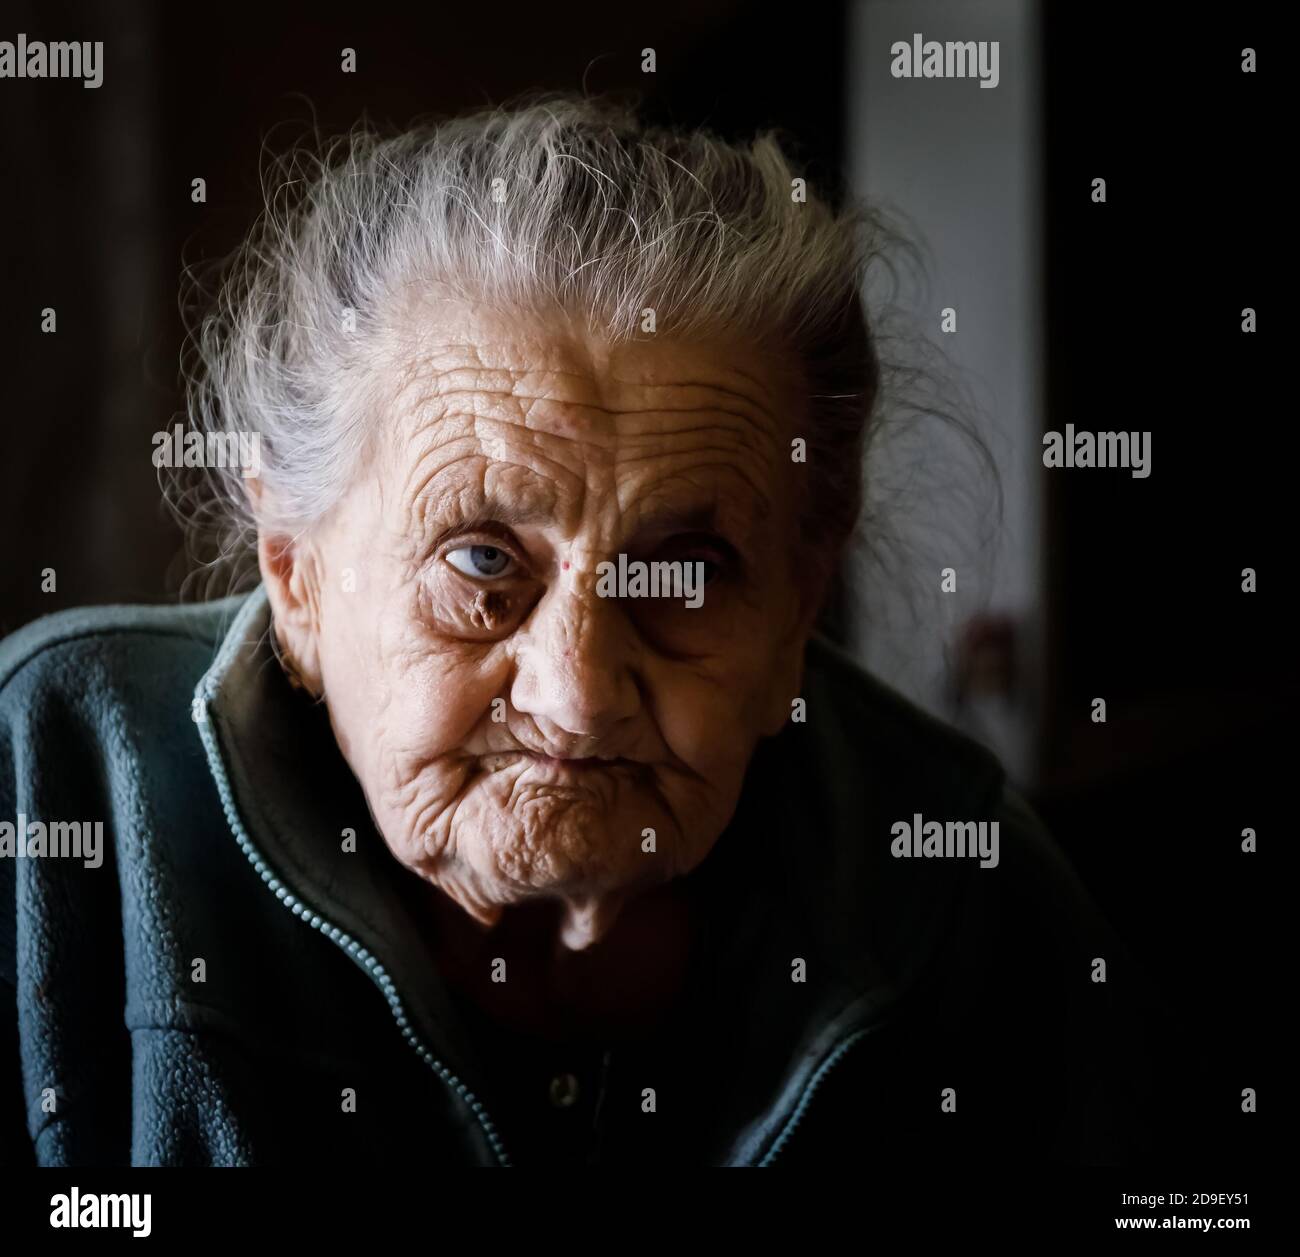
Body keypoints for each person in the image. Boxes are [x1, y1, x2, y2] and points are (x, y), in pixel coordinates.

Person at [0, 95, 1155, 1166]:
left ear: (798, 602)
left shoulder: (967, 896)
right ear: (295, 575)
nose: (577, 693)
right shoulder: (55, 777)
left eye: (686, 573)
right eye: (481, 564)